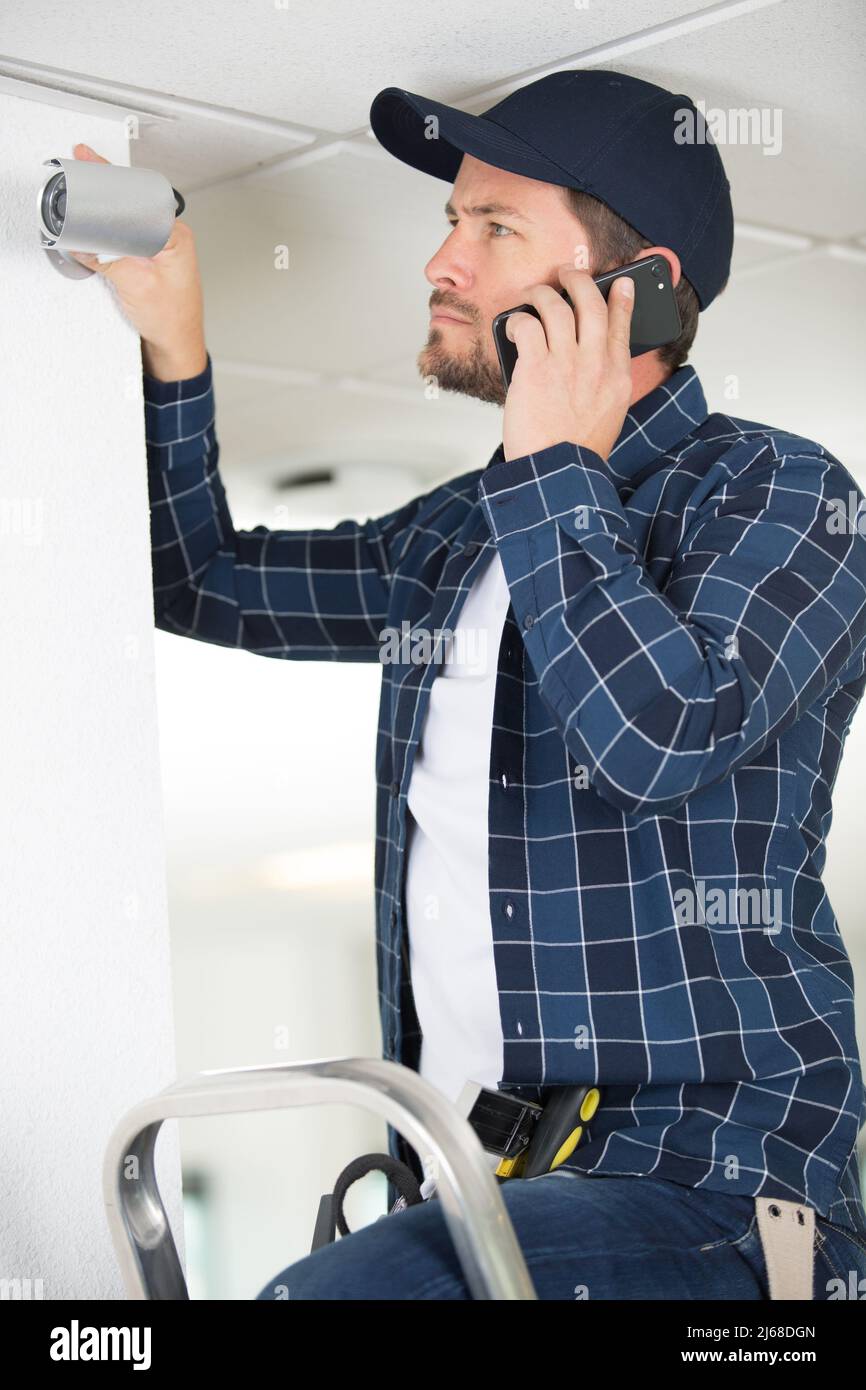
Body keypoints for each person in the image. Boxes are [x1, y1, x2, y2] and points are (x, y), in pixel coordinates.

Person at [73, 67, 866, 1301]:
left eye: (493, 227)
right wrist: (174, 341)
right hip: (477, 1186)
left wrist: (552, 460)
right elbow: (199, 579)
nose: (440, 261)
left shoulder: (776, 492)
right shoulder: (455, 539)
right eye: (452, 221)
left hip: (705, 1191)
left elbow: (658, 735)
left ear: (636, 288)